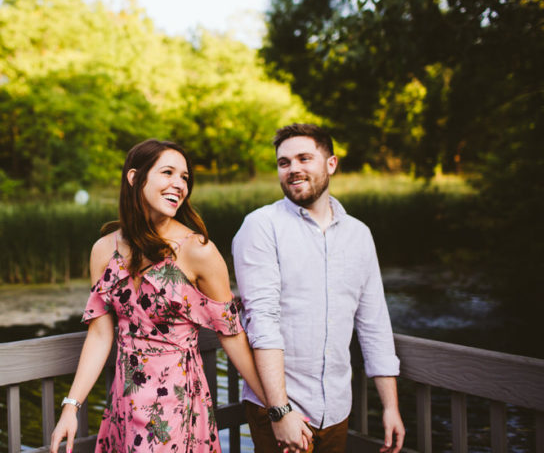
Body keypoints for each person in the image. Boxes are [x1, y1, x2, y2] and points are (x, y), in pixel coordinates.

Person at [50, 139, 266, 453]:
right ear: (134, 177)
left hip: (177, 406)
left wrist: (275, 406)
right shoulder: (103, 250)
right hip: (125, 406)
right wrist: (71, 406)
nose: (179, 184)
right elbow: (99, 335)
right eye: (168, 172)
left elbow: (231, 334)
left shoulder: (197, 250)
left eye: (185, 177)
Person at [232, 124, 405, 453]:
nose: (293, 169)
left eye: (304, 158)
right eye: (284, 163)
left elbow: (374, 325)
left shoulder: (359, 235)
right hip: (281, 407)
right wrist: (280, 411)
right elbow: (262, 323)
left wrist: (390, 407)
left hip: (337, 410)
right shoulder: (261, 226)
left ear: (331, 163)